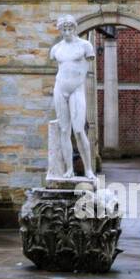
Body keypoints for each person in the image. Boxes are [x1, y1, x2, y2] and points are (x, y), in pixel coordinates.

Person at [49, 14, 96, 179]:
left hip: (76, 89)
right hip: (60, 88)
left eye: (70, 29)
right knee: (64, 130)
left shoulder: (85, 46)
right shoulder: (56, 49)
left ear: (74, 28)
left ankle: (88, 169)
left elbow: (86, 65)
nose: (67, 32)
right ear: (60, 30)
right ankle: (69, 169)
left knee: (78, 130)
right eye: (64, 29)